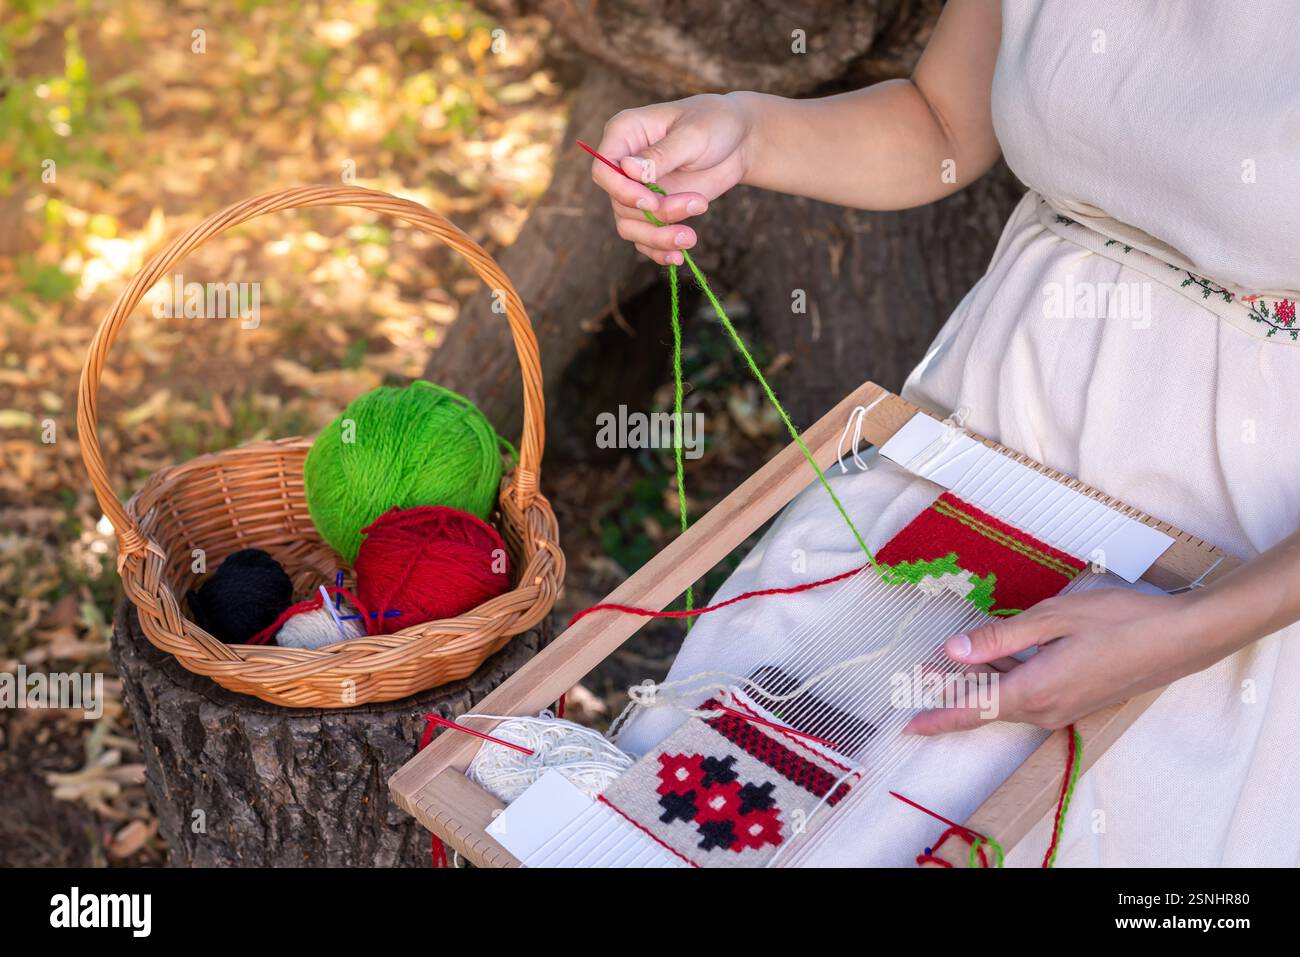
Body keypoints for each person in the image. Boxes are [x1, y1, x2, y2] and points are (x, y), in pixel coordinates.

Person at [589, 0, 1300, 865]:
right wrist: (746, 131)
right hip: (978, 432)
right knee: (742, 810)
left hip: (1245, 546)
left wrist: (1190, 632)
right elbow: (942, 121)